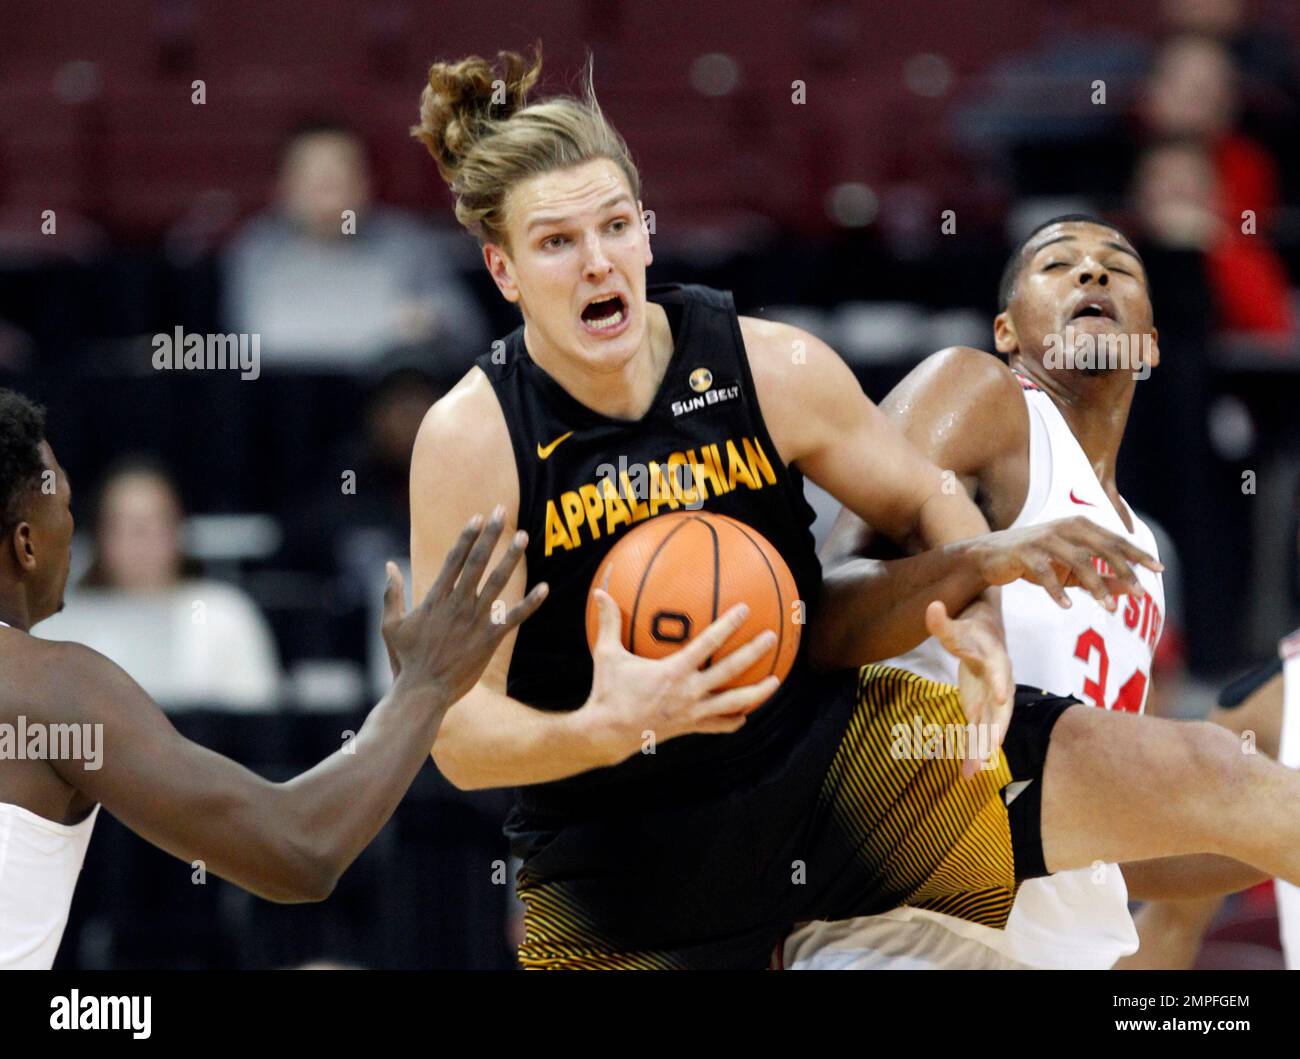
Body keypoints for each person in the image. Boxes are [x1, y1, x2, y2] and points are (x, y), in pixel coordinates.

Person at [406, 47, 1300, 970]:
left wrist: (984, 616)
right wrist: (606, 718)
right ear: (503, 272)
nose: (598, 263)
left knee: (1214, 772)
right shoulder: (472, 440)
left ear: (646, 232)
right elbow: (460, 735)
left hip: (827, 769)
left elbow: (925, 494)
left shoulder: (769, 366)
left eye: (615, 226)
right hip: (617, 860)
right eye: (557, 243)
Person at [783, 214, 1273, 969]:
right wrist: (986, 557)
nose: (1092, 274)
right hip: (908, 931)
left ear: (1150, 344)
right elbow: (820, 620)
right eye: (1058, 264)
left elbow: (1096, 838)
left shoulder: (1143, 548)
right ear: (1007, 330)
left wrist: (1256, 834)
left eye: (1119, 266)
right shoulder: (984, 393)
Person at [0, 386, 547, 969]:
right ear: (26, 544)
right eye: (66, 507)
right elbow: (300, 849)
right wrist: (425, 687)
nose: (73, 528)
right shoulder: (58, 688)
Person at [222, 119, 489, 371]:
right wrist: (387, 326)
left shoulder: (407, 244)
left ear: (365, 182)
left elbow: (466, 336)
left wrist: (431, 326)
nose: (327, 189)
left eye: (339, 174)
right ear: (283, 186)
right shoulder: (255, 250)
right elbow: (258, 341)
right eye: (312, 176)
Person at [37, 456, 282, 710]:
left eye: (155, 524)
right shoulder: (60, 623)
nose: (142, 542)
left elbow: (258, 722)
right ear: (100, 536)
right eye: (127, 527)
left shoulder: (223, 614)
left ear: (178, 529)